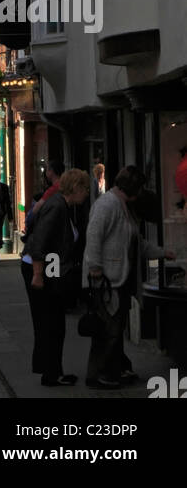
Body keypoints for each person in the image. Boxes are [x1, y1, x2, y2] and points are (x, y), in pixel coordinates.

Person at [82, 164, 175, 389]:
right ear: (132, 187)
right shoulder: (108, 204)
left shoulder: (123, 206)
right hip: (107, 280)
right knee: (108, 331)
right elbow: (93, 235)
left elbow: (137, 243)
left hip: (118, 278)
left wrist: (163, 253)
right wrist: (94, 269)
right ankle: (98, 375)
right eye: (140, 188)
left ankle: (113, 370)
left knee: (113, 329)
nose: (142, 192)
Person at [21, 167, 90, 386]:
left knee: (54, 322)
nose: (87, 193)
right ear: (76, 188)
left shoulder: (63, 206)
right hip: (40, 268)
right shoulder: (58, 207)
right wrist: (39, 275)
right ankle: (51, 374)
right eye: (85, 188)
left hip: (50, 267)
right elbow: (40, 242)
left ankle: (53, 371)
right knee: (49, 323)